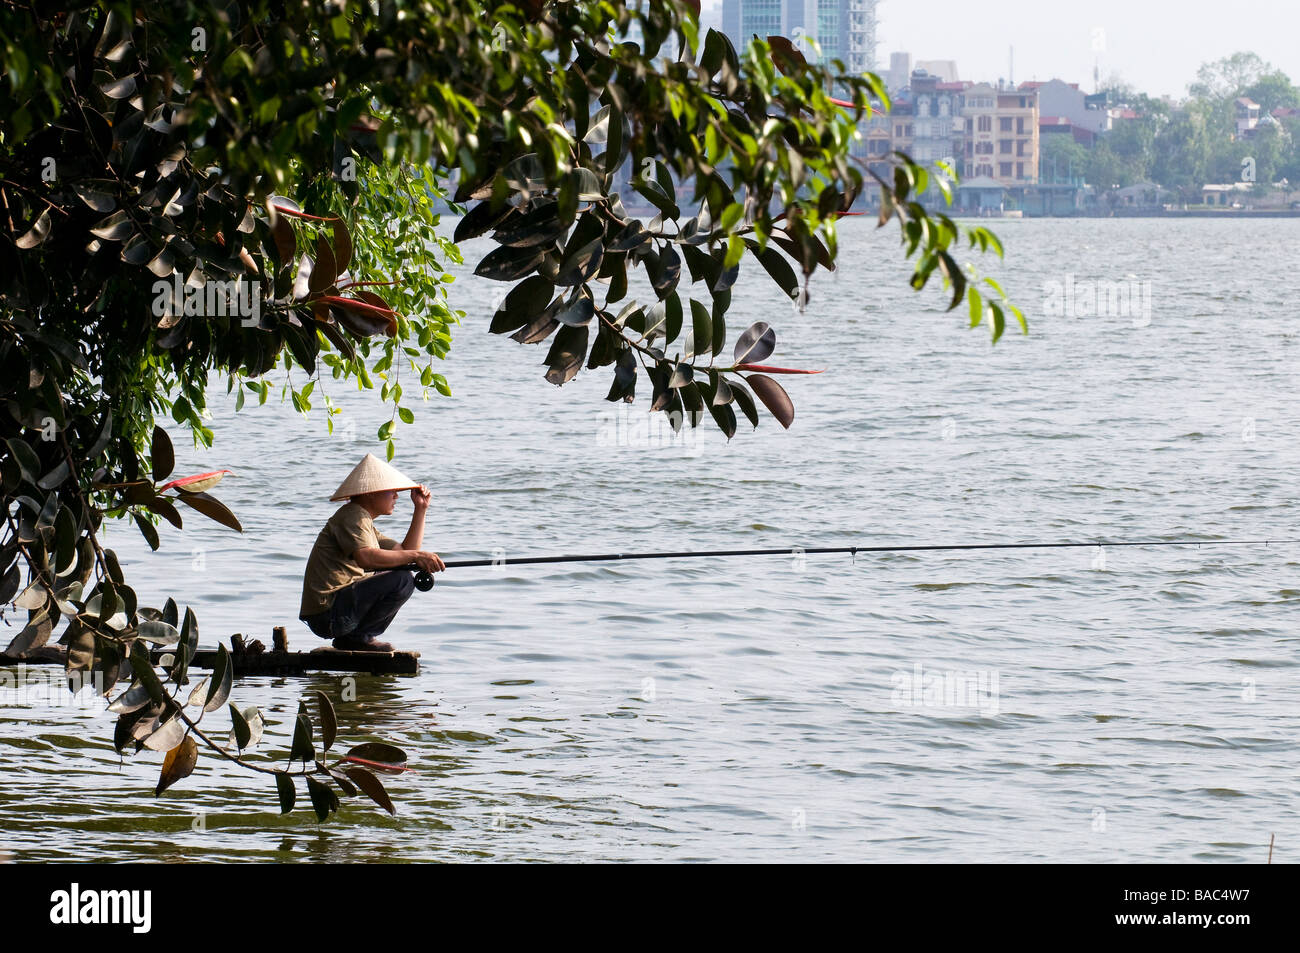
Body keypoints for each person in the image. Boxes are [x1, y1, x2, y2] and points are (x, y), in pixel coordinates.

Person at [299, 454, 445, 652]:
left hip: (333, 613)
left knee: (400, 572)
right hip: (328, 614)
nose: (396, 496)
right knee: (402, 579)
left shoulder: (363, 521)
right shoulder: (353, 516)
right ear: (370, 492)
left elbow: (404, 552)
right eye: (391, 491)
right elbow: (366, 558)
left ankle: (353, 638)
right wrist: (417, 557)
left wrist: (420, 509)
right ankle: (359, 637)